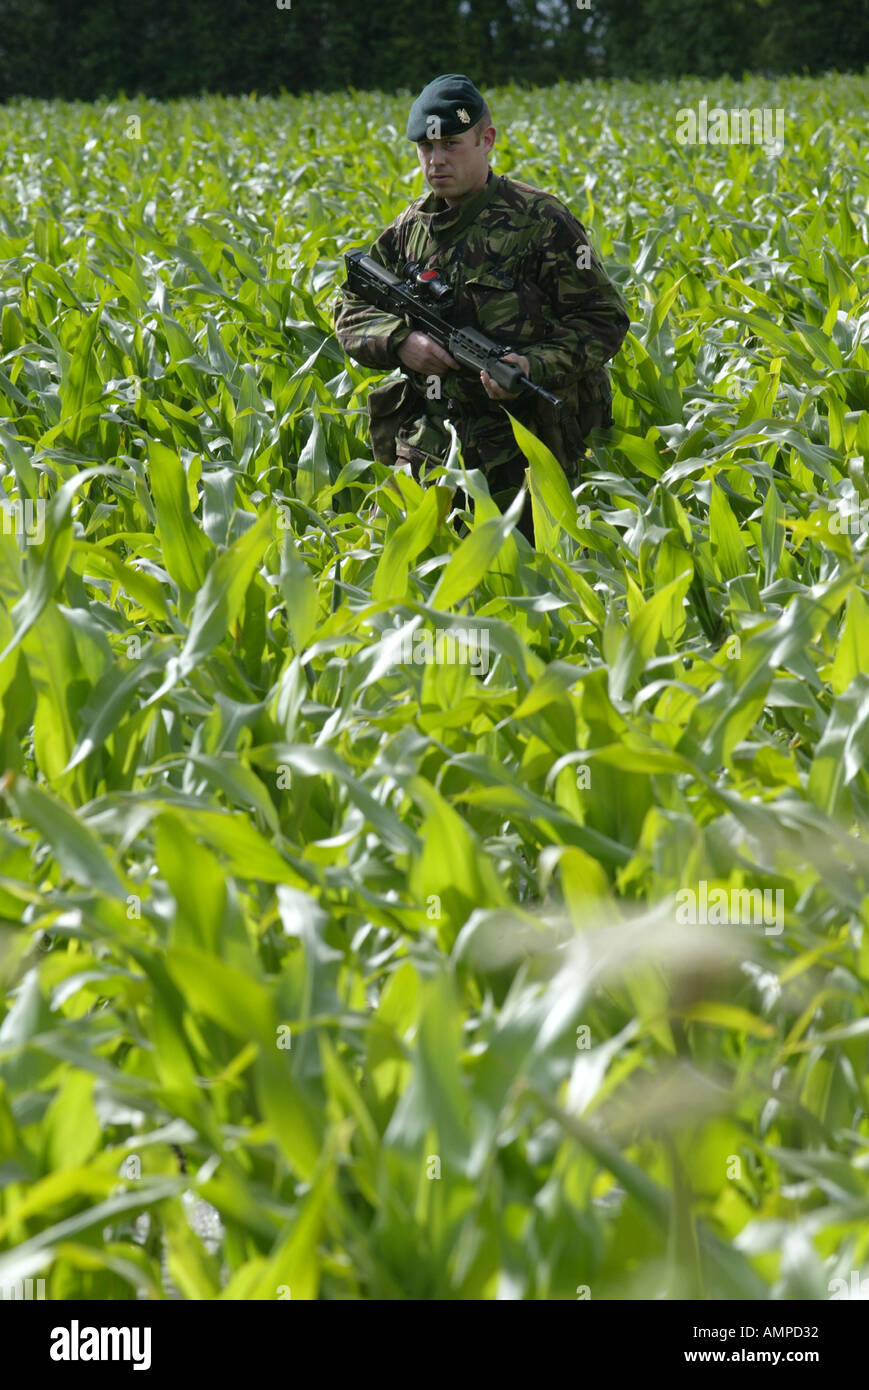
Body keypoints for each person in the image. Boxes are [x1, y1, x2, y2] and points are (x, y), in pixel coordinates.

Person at [333, 73, 630, 542]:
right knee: (395, 573)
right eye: (425, 148)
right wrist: (401, 341)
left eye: (451, 144)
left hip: (529, 449)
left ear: (486, 139)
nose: (436, 160)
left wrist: (533, 364)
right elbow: (351, 304)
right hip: (432, 443)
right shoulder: (410, 228)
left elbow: (604, 320)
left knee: (534, 584)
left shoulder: (542, 222)